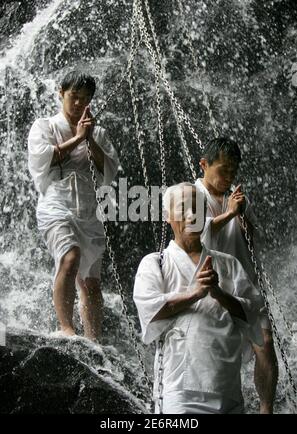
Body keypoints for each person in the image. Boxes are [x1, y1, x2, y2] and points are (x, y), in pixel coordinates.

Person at [133, 182, 263, 414]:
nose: (193, 215)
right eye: (184, 207)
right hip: (180, 390)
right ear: (167, 215)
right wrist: (196, 293)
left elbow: (252, 314)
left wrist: (219, 294)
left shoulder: (228, 263)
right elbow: (149, 309)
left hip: (227, 388)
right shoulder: (156, 263)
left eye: (199, 208)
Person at [28, 71, 119, 342]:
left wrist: (89, 138)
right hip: (56, 204)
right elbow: (43, 162)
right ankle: (66, 327)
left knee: (91, 281)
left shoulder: (98, 133)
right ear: (61, 93)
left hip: (88, 209)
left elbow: (109, 170)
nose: (78, 104)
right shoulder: (44, 126)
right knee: (70, 256)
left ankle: (93, 340)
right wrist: (78, 138)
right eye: (73, 97)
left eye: (85, 99)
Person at [195, 137, 278, 414]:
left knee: (265, 344)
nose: (228, 177)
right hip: (215, 286)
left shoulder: (238, 198)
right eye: (223, 170)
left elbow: (254, 242)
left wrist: (241, 216)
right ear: (204, 165)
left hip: (247, 284)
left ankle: (266, 409)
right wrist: (229, 214)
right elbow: (195, 236)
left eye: (233, 171)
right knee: (217, 353)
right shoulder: (192, 195)